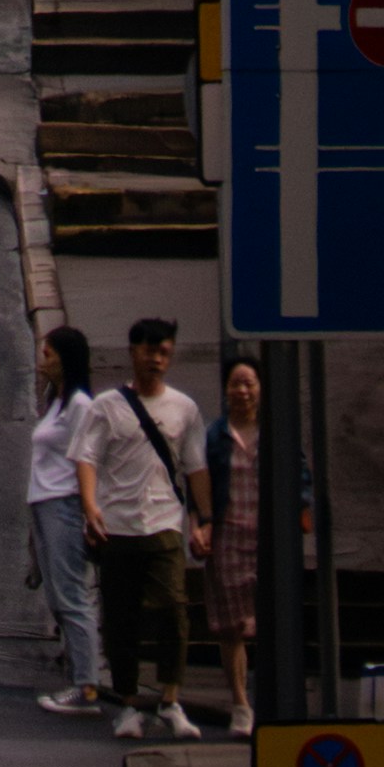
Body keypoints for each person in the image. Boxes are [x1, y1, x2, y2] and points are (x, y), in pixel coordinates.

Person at [75, 314, 213, 737]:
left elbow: (195, 468)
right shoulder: (106, 407)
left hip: (164, 524)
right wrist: (89, 506)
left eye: (164, 352)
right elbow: (87, 458)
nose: (156, 359)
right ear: (133, 353)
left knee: (175, 611)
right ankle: (129, 704)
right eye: (149, 351)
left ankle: (170, 700)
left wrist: (202, 520)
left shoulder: (184, 409)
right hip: (117, 526)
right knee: (121, 619)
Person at [30, 321, 107, 713]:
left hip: (64, 504)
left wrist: (88, 513)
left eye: (48, 354)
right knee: (60, 596)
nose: (42, 361)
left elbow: (88, 460)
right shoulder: (56, 401)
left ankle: (87, 687)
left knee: (73, 596)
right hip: (45, 504)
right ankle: (80, 675)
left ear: (66, 359)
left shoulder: (80, 406)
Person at [208, 357, 267, 736]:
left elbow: (300, 472)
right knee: (232, 628)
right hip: (228, 537)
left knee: (268, 622)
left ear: (260, 389)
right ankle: (241, 704)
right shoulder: (216, 435)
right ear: (226, 390)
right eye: (235, 384)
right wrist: (201, 523)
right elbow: (201, 480)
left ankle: (271, 698)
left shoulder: (275, 431)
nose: (242, 391)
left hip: (266, 538)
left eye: (249, 383)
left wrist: (304, 507)